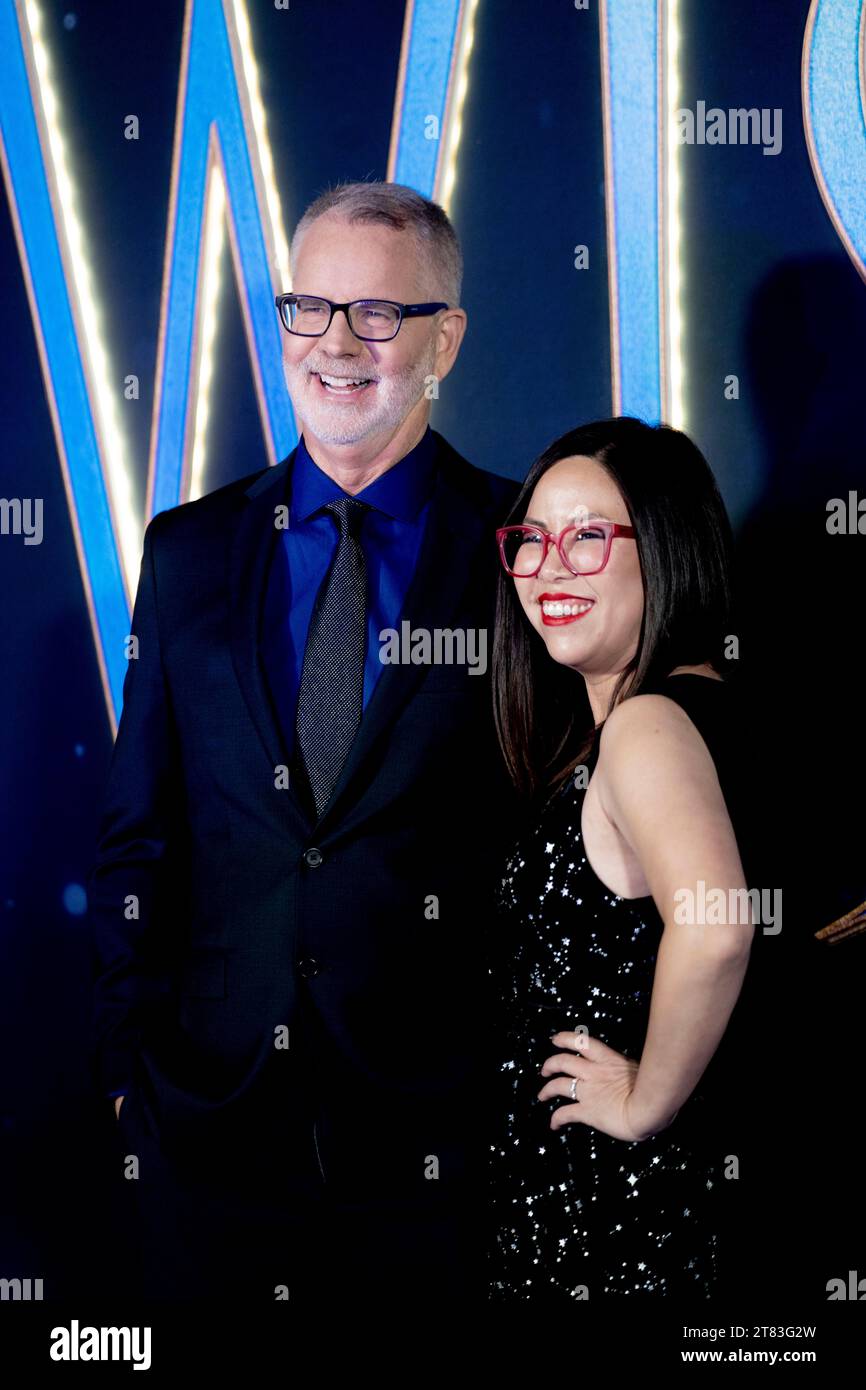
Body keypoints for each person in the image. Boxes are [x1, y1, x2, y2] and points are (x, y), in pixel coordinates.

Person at [88, 181, 519, 1306]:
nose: (334, 342)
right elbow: (140, 831)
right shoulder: (185, 553)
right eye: (306, 307)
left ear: (445, 340)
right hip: (208, 1141)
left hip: (439, 1152)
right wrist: (130, 1072)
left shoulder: (525, 553)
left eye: (377, 314)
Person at [487, 417, 756, 1300]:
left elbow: (716, 929)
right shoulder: (709, 706)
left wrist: (643, 1103)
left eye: (590, 537)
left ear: (667, 546)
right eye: (532, 540)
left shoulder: (644, 728)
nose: (550, 568)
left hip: (616, 1226)